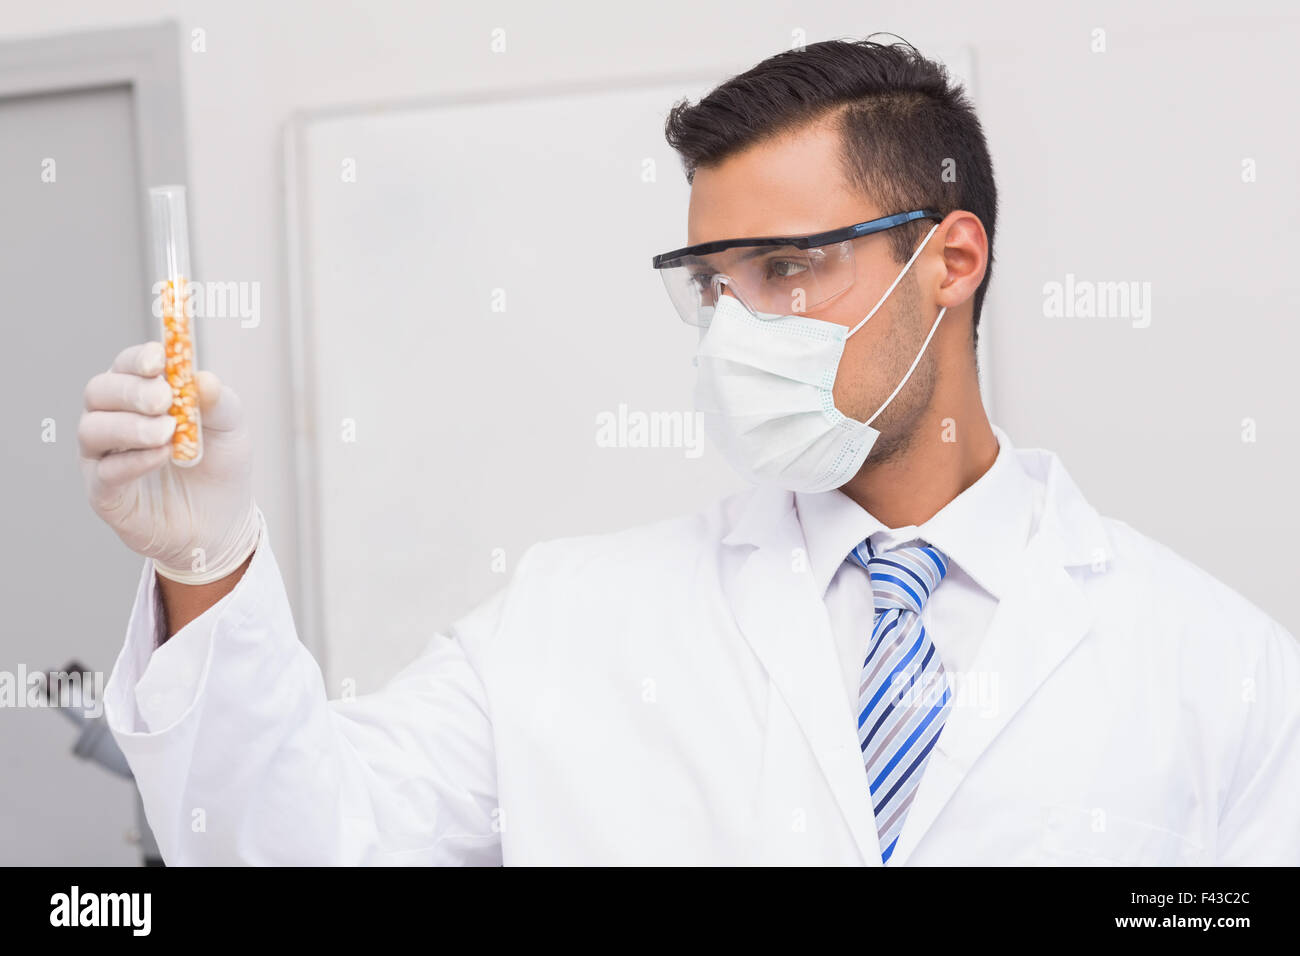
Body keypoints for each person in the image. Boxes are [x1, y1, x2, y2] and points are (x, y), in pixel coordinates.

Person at [83, 38, 1298, 865]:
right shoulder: (568, 622)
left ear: (950, 262)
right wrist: (210, 562)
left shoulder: (1216, 668)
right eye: (712, 283)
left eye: (786, 267)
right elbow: (293, 841)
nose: (736, 331)